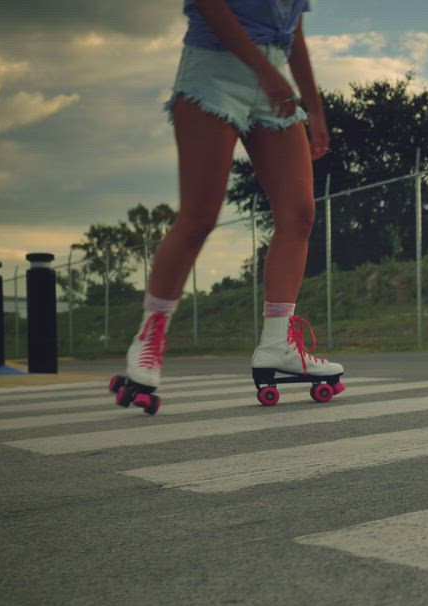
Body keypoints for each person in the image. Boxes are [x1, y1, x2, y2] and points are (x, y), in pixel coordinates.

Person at [115, 0, 342, 411]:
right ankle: (148, 340)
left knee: (299, 214)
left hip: (273, 77)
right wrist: (267, 73)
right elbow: (210, 6)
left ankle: (277, 343)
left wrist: (317, 111)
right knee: (200, 217)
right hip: (214, 70)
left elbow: (295, 37)